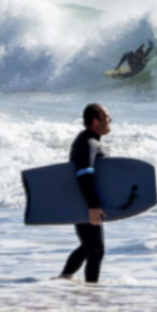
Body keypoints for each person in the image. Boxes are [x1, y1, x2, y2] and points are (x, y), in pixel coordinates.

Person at [59, 103, 110, 282]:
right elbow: (83, 173)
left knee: (89, 246)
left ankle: (64, 278)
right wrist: (93, 205)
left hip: (84, 201)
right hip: (85, 202)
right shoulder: (88, 142)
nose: (110, 120)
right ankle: (92, 294)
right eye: (106, 117)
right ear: (96, 121)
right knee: (96, 249)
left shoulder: (91, 141)